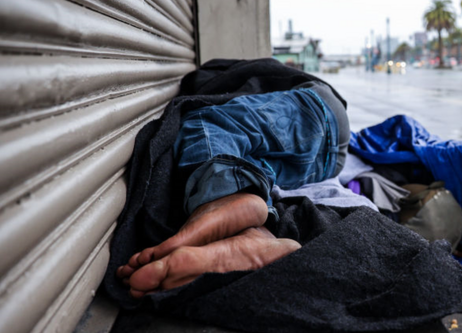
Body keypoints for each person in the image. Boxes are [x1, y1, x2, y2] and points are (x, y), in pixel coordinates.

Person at [116, 81, 350, 298]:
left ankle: (224, 199)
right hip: (324, 161)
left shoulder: (288, 89)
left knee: (211, 125)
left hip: (319, 107)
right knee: (242, 162)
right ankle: (255, 236)